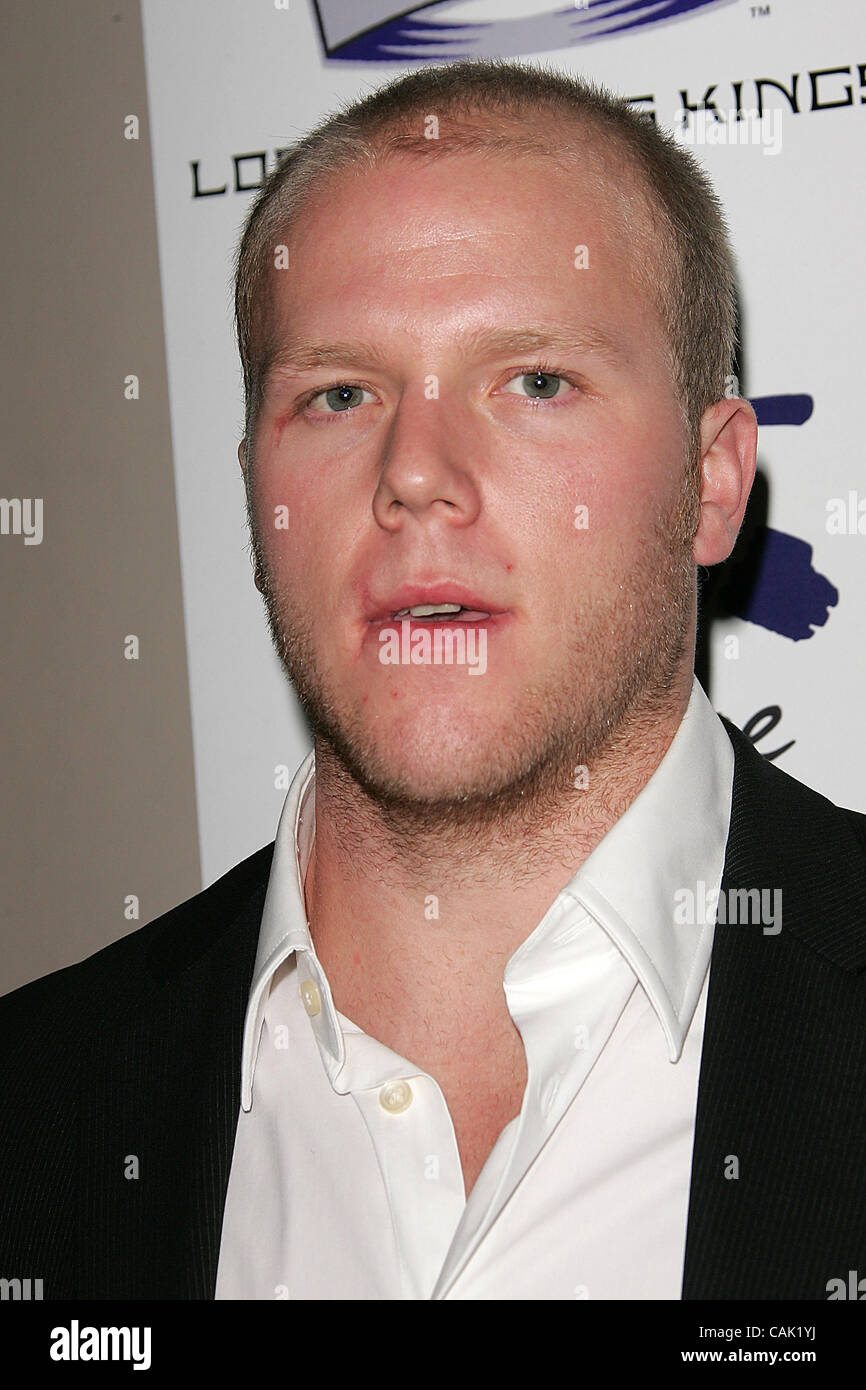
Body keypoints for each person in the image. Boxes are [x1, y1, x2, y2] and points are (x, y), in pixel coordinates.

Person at [1, 58, 864, 1302]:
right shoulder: (34, 1105)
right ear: (257, 493)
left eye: (533, 382)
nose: (413, 471)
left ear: (711, 483)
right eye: (339, 393)